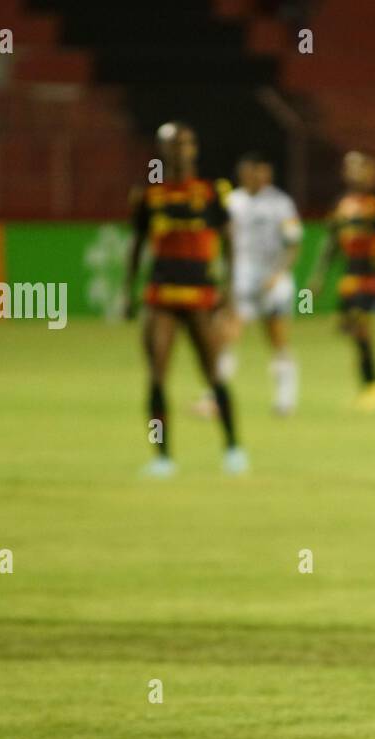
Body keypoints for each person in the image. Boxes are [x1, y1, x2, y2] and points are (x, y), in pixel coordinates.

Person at [124, 122, 247, 476]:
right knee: (157, 376)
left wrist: (230, 288)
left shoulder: (210, 193)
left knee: (213, 375)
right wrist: (128, 291)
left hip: (200, 294)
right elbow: (136, 244)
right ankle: (162, 456)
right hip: (161, 294)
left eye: (187, 143)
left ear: (194, 149)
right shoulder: (149, 194)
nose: (181, 149)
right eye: (174, 144)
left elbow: (229, 240)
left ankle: (233, 447)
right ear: (162, 150)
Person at [197, 152, 302, 418]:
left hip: (272, 280)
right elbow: (223, 244)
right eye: (252, 171)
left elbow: (293, 244)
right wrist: (223, 280)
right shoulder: (232, 202)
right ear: (242, 173)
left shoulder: (281, 203)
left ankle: (285, 400)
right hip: (241, 278)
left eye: (262, 171)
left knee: (277, 339)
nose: (257, 176)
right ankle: (215, 398)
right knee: (226, 336)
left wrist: (279, 274)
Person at [309, 150, 375, 412]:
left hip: (373, 276)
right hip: (350, 276)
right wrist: (318, 278)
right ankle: (368, 384)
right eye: (348, 167)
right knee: (349, 327)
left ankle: (374, 385)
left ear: (371, 169)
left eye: (358, 166)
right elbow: (331, 243)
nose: (351, 172)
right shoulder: (342, 203)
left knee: (359, 321)